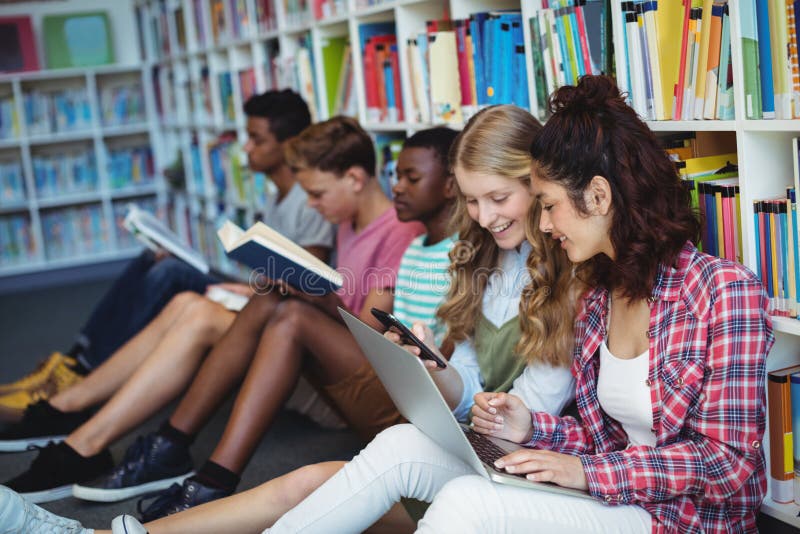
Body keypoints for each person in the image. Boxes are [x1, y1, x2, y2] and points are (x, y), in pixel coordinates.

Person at [0, 106, 580, 534]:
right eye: (473, 202)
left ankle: (151, 457)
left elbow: (531, 419)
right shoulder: (485, 259)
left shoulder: (567, 281)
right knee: (304, 478)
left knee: (281, 330)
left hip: (505, 468)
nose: (480, 217)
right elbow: (469, 389)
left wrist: (464, 398)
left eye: (498, 199)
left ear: (539, 184)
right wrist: (434, 372)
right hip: (466, 445)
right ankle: (92, 531)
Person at [254, 76, 774, 534]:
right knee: (399, 447)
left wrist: (588, 472)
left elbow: (728, 462)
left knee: (468, 503)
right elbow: (598, 436)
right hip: (611, 494)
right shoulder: (599, 294)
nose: (543, 226)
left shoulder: (721, 289)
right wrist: (530, 428)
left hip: (676, 518)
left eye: (547, 206)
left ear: (598, 196)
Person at [0, 89, 335, 504]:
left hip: (282, 320)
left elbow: (306, 281)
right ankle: (73, 402)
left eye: (256, 139)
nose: (245, 149)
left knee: (183, 291)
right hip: (262, 304)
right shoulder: (279, 194)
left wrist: (246, 287)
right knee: (168, 279)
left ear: (289, 145)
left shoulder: (311, 200)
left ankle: (79, 418)